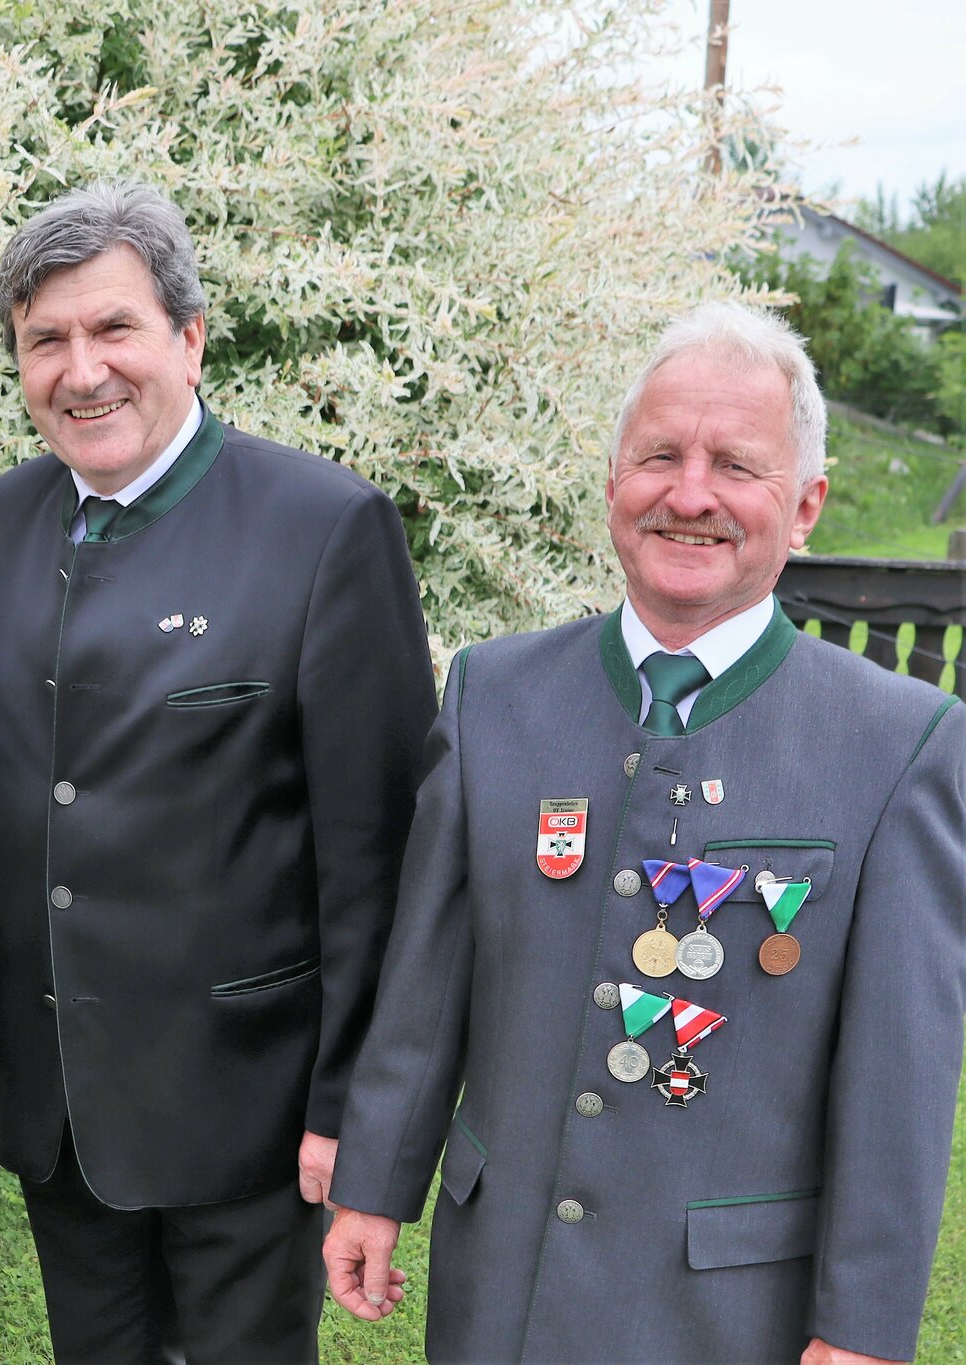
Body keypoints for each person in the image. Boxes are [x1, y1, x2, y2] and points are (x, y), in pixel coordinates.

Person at [323, 301, 965, 1364]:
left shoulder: (899, 746)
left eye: (735, 465)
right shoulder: (493, 695)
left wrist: (860, 1329)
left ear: (804, 506)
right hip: (499, 1286)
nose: (689, 494)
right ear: (613, 480)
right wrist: (374, 1185)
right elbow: (427, 981)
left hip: (722, 1315)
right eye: (659, 456)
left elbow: (899, 1080)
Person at [0, 182, 438, 1362]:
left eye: (112, 328)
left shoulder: (324, 527)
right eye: (44, 340)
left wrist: (350, 1110)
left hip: (246, 1107)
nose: (81, 371)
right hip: (57, 1101)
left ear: (189, 338)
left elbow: (375, 858)